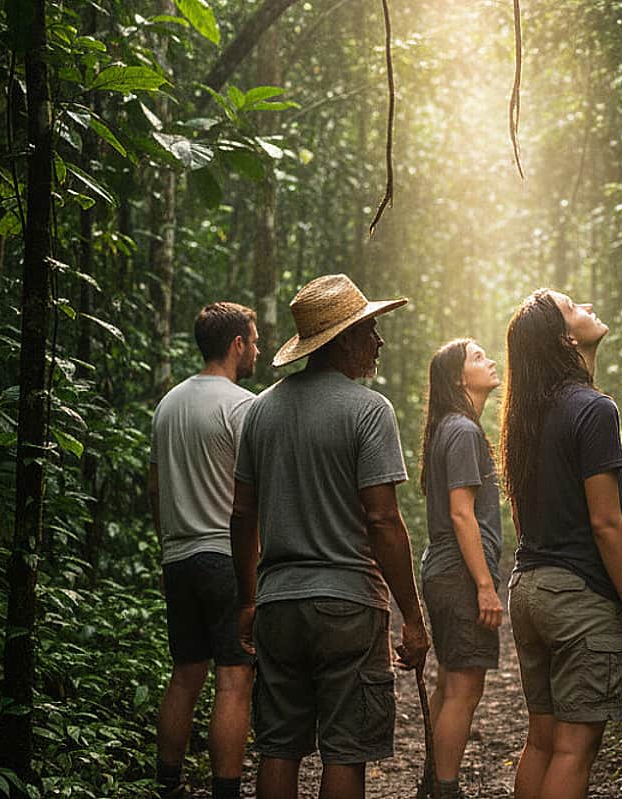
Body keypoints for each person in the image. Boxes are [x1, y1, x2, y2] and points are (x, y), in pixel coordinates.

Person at [229, 273, 430, 799]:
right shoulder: (368, 410)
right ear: (343, 339)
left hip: (278, 604)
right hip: (348, 607)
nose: (378, 341)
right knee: (347, 747)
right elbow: (384, 521)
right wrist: (412, 614)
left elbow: (241, 515)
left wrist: (249, 601)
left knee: (280, 745)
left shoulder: (259, 411)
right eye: (369, 330)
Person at [500, 289, 622, 799]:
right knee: (574, 750)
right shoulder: (594, 410)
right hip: (578, 599)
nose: (588, 305)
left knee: (541, 742)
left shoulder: (525, 415)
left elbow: (522, 514)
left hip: (528, 589)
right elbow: (606, 523)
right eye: (574, 307)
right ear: (566, 338)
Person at [149, 302, 260, 799]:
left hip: (178, 555)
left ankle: (167, 783)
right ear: (237, 344)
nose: (256, 349)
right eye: (253, 340)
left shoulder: (168, 404)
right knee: (233, 680)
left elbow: (155, 489)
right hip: (224, 555)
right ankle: (226, 790)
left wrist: (169, 540)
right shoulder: (242, 406)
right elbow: (250, 499)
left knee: (184, 674)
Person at [417, 339, 504, 799]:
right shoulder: (464, 432)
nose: (489, 361)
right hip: (459, 574)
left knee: (451, 683)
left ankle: (433, 782)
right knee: (464, 691)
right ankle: (446, 789)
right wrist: (486, 587)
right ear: (457, 379)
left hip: (444, 570)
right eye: (476, 357)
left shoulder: (450, 428)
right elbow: (461, 514)